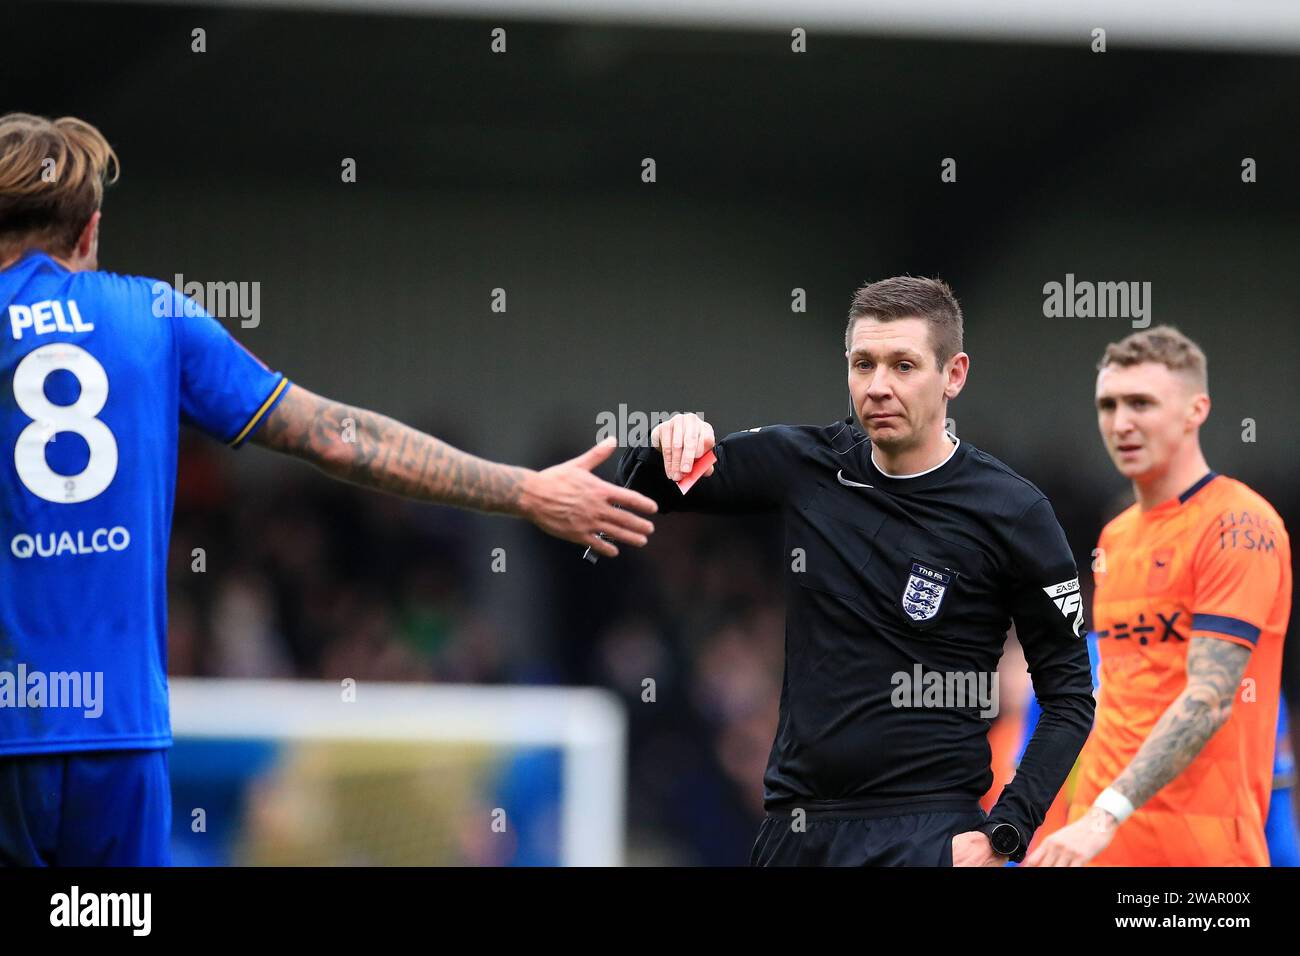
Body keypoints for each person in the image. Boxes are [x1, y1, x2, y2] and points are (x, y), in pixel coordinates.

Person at [0, 112, 657, 866]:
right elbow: (341, 437)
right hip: (117, 737)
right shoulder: (153, 316)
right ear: (89, 230)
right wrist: (526, 490)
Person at [618, 275, 1095, 866]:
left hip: (929, 834)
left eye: (903, 366)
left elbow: (1070, 695)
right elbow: (644, 485)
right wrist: (668, 439)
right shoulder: (806, 464)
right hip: (798, 831)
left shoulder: (1013, 512)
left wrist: (1007, 833)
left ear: (954, 374)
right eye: (863, 365)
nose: (878, 387)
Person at [1026, 326, 1292, 866]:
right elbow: (1116, 702)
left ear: (1197, 409)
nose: (1120, 422)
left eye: (1141, 403)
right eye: (1108, 404)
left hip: (1200, 861)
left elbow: (1210, 698)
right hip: (1097, 850)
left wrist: (1101, 817)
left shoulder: (1239, 525)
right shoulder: (1116, 537)